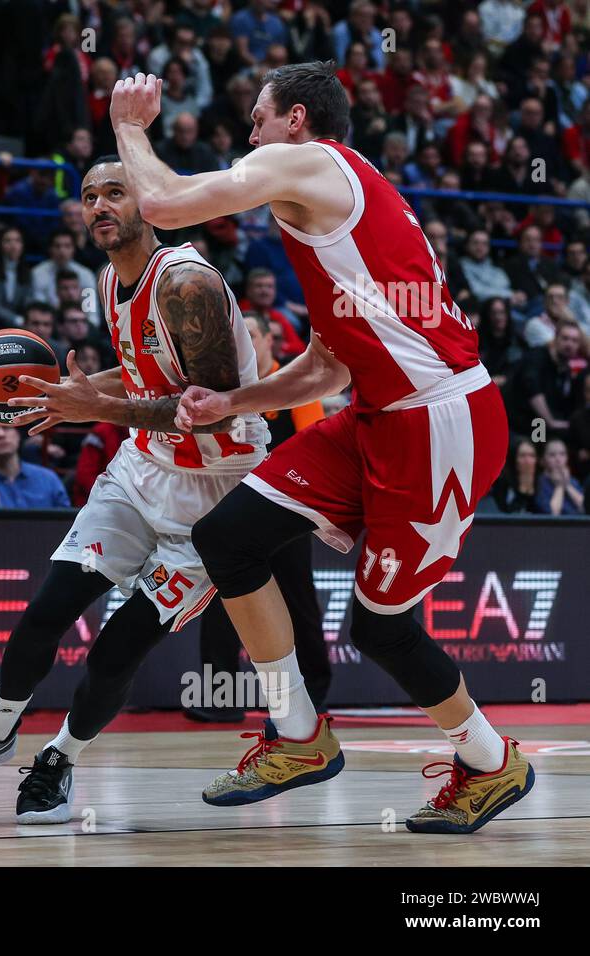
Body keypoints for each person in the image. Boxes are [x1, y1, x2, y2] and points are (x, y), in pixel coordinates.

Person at [108, 63, 528, 832]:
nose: (249, 135)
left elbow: (163, 203)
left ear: (296, 119)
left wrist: (130, 125)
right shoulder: (332, 201)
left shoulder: (309, 162)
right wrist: (234, 401)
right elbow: (330, 364)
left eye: (258, 119)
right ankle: (298, 732)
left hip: (440, 424)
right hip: (379, 411)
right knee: (227, 537)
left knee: (380, 628)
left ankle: (491, 759)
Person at [0, 154, 268, 825]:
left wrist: (90, 409)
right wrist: (78, 391)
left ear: (149, 202)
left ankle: (59, 759)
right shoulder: (107, 280)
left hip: (218, 491)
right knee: (47, 610)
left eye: (115, 192)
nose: (99, 206)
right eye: (90, 195)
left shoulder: (187, 285)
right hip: (142, 469)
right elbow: (145, 379)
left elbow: (205, 404)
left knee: (116, 648)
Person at [189, 311, 329, 722]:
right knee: (220, 600)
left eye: (250, 335)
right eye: (238, 336)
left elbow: (315, 446)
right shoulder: (220, 392)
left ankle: (313, 693)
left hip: (285, 509)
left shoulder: (295, 386)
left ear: (270, 342)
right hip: (232, 509)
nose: (242, 343)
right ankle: (220, 699)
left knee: (296, 598)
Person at [0, 424, 71, 509]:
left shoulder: (49, 479)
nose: (1, 434)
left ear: (18, 434)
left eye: (7, 427)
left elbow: (67, 523)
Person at [535, 438, 585, 514]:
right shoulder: (539, 483)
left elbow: (585, 507)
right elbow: (553, 513)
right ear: (542, 460)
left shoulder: (573, 481)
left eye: (562, 454)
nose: (558, 459)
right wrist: (559, 486)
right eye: (552, 455)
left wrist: (567, 485)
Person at [491, 438, 540, 514]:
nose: (527, 460)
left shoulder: (541, 481)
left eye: (531, 455)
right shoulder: (502, 483)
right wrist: (523, 490)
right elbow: (505, 512)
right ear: (514, 459)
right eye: (522, 456)